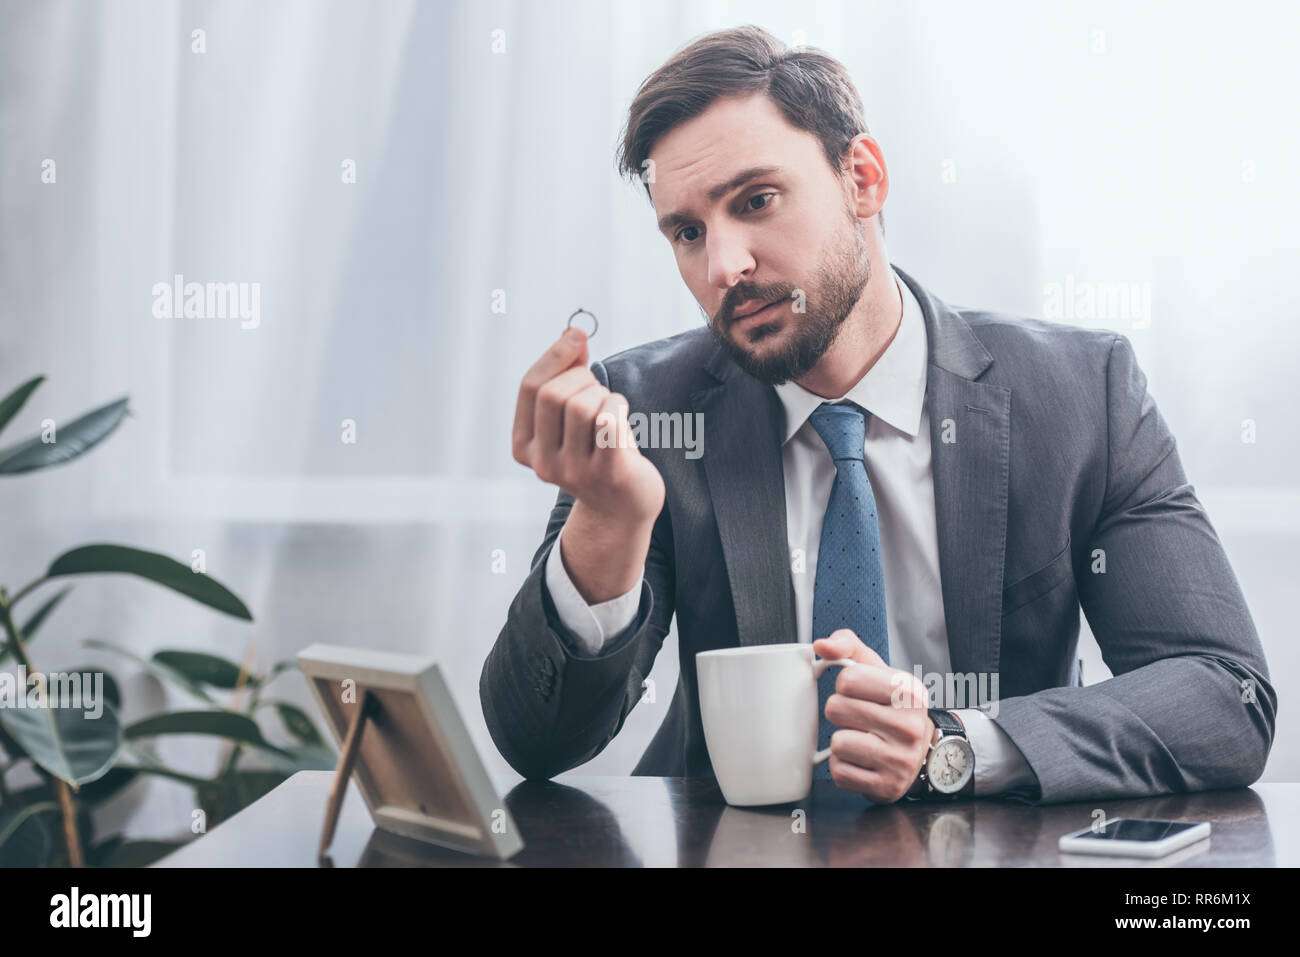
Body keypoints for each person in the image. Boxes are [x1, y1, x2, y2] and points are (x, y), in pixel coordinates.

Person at [480, 25, 1275, 804]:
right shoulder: (647, 412)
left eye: (756, 200)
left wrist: (953, 742)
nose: (724, 266)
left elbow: (1224, 695)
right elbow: (536, 740)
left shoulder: (1080, 393)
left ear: (863, 178)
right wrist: (610, 522)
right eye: (687, 232)